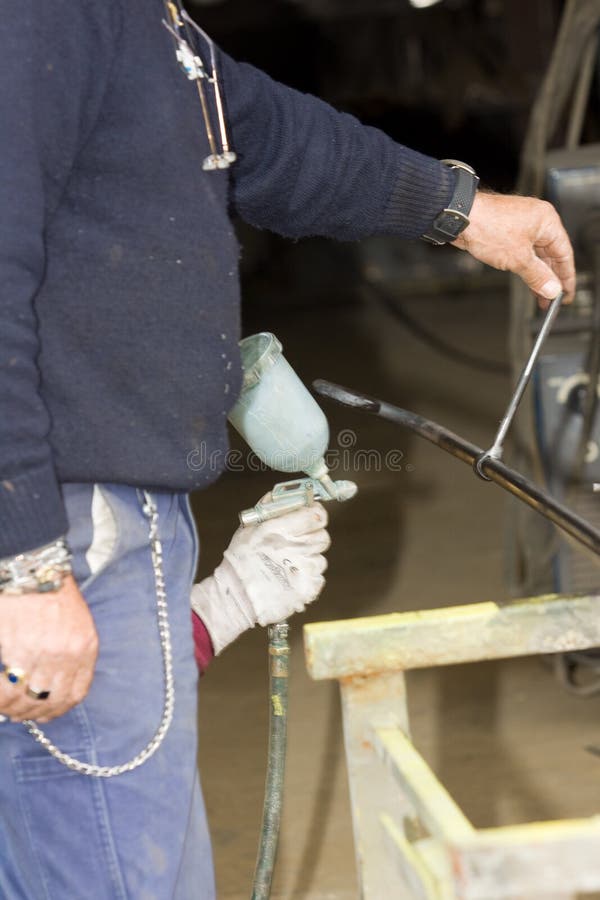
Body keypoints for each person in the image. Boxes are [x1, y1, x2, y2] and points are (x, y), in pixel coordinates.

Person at [0, 1, 575, 897]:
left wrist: (461, 209)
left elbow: (268, 136)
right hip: (67, 519)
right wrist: (25, 565)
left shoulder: (144, 25)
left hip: (104, 523)